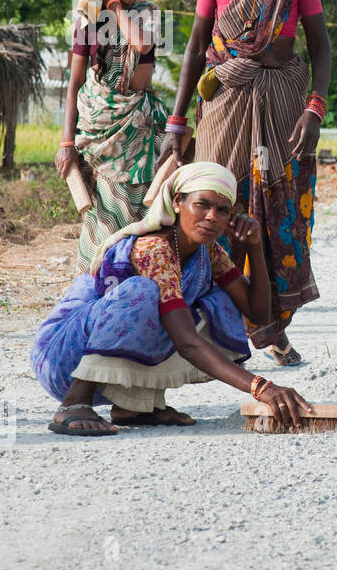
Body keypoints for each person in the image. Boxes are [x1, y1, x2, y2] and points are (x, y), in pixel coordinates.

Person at [158, 0, 331, 366]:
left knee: (280, 215)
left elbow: (320, 46)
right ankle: (218, 327)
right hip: (225, 101)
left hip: (283, 101)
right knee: (214, 206)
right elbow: (195, 47)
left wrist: (315, 108)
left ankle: (272, 326)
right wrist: (176, 120)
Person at [31, 162, 311, 436]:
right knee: (141, 293)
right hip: (63, 356)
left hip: (97, 353)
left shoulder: (207, 251)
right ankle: (74, 402)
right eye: (202, 205)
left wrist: (254, 247)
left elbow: (257, 315)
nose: (212, 217)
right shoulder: (154, 248)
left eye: (222, 210)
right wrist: (261, 387)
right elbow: (186, 342)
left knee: (218, 304)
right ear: (177, 201)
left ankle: (135, 406)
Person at [56, 0, 168, 269]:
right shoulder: (87, 23)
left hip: (139, 129)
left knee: (145, 210)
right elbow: (74, 83)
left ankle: (143, 282)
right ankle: (98, 281)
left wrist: (116, 5)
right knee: (102, 211)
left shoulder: (148, 14)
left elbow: (141, 44)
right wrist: (66, 143)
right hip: (99, 127)